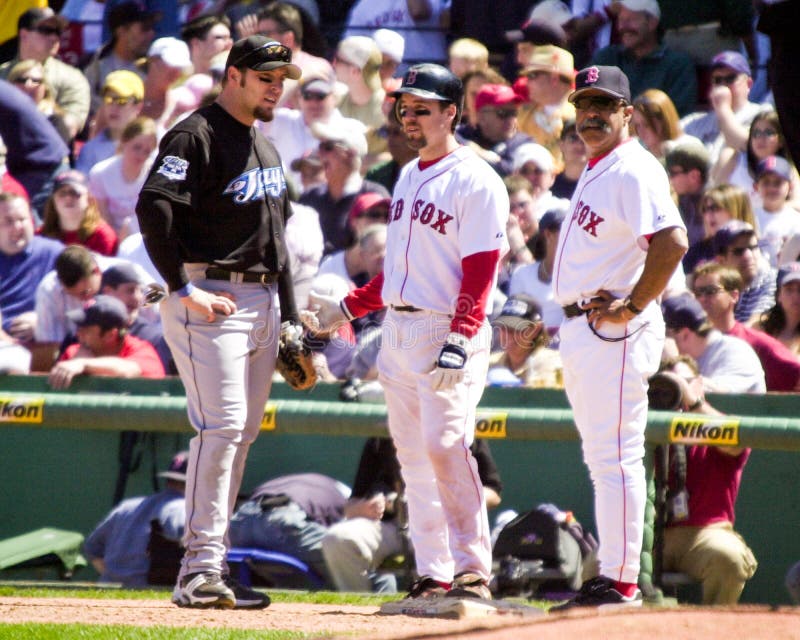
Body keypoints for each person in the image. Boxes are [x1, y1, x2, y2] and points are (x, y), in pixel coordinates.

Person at [310, 63, 509, 601]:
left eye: (423, 107)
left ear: (452, 112)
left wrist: (462, 336)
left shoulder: (477, 177)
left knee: (448, 447)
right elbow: (397, 272)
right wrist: (345, 309)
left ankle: (473, 571)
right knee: (414, 461)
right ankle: (433, 573)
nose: (411, 116)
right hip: (399, 328)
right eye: (405, 108)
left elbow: (482, 267)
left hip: (448, 327)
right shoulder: (408, 174)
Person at [135, 35, 303, 610]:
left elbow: (277, 243)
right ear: (234, 76)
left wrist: (292, 321)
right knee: (222, 429)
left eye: (282, 78)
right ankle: (197, 571)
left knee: (240, 436)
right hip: (208, 292)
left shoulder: (265, 146)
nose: (276, 86)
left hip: (262, 301)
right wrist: (183, 290)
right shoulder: (194, 133)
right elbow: (152, 209)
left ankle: (214, 567)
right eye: (265, 77)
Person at [549, 65, 688, 610]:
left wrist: (632, 305)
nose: (591, 115)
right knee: (603, 457)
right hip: (590, 325)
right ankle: (614, 576)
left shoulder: (633, 167)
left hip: (615, 327)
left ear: (628, 112)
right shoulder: (600, 165)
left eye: (604, 106)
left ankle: (622, 582)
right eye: (584, 105)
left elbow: (672, 243)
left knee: (616, 457)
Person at [322, 437, 503, 593]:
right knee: (338, 539)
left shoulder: (458, 424)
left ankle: (452, 603)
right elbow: (351, 506)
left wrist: (451, 502)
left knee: (447, 553)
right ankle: (359, 607)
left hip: (444, 525)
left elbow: (493, 493)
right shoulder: (385, 429)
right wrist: (366, 507)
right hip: (392, 524)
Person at [653, 356, 758, 604]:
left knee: (728, 557)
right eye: (669, 384)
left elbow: (736, 444)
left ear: (699, 384)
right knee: (599, 563)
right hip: (654, 533)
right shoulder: (648, 426)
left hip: (704, 534)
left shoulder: (714, 420)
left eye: (685, 381)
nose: (676, 391)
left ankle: (713, 628)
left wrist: (693, 400)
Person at [83, 450, 188, 587]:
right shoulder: (188, 511)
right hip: (151, 595)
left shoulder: (126, 507)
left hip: (108, 591)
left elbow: (92, 548)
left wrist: (115, 580)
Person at [692, 262, 800, 392]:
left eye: (711, 291)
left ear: (734, 295)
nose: (703, 298)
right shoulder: (687, 340)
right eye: (698, 293)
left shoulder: (757, 342)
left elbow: (795, 371)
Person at [229, 472, 350, 588]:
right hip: (285, 520)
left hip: (241, 519)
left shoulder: (306, 481)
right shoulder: (347, 495)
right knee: (347, 557)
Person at [298, 119, 389, 255]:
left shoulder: (375, 199)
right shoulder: (310, 197)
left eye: (327, 147)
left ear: (351, 153)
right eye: (320, 147)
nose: (319, 153)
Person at [590, 0, 696, 117]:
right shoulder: (608, 57)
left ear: (652, 23)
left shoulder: (677, 65)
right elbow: (585, 96)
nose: (622, 27)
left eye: (630, 20)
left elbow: (677, 119)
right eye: (620, 20)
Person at [0, 6, 91, 140]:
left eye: (58, 31)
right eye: (46, 30)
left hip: (51, 154)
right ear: (24, 35)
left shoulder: (72, 78)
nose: (54, 37)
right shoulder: (2, 75)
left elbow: (70, 126)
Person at [48, 294, 165, 389]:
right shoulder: (75, 352)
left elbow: (128, 369)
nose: (78, 333)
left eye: (86, 330)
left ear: (110, 335)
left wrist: (83, 364)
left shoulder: (142, 350)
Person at [662, 293, 765, 394]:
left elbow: (721, 397)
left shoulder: (736, 351)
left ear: (685, 334)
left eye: (665, 335)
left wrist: (675, 362)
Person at [681, 51, 769, 167]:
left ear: (748, 84)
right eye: (717, 80)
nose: (723, 85)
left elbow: (747, 146)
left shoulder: (762, 114)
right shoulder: (695, 121)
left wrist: (723, 108)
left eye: (730, 79)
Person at [0, 192, 63, 343]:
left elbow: (80, 298)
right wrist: (8, 342)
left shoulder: (54, 253)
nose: (17, 227)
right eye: (8, 221)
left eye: (22, 219)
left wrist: (43, 319)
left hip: (47, 340)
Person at [88, 116, 158, 239]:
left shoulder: (154, 174)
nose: (141, 155)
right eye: (136, 147)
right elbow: (102, 215)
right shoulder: (100, 172)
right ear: (124, 142)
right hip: (110, 237)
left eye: (147, 151)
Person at [508, 207, 566, 337]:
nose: (572, 236)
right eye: (566, 230)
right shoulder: (521, 274)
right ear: (548, 234)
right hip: (532, 349)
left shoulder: (582, 274)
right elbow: (516, 323)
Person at [75, 70, 145, 175]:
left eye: (122, 101)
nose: (114, 107)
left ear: (138, 107)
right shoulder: (90, 149)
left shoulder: (150, 146)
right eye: (109, 99)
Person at [38, 169, 119, 257]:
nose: (68, 198)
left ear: (88, 199)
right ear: (53, 200)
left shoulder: (103, 236)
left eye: (74, 193)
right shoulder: (41, 235)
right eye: (62, 193)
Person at [487, 293, 562, 388]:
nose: (508, 335)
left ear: (536, 329)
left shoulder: (552, 364)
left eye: (517, 329)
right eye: (504, 327)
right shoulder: (488, 364)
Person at [457, 83, 529, 177]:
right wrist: (470, 147)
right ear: (481, 116)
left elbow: (509, 172)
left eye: (514, 113)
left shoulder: (522, 142)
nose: (511, 119)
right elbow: (447, 137)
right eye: (503, 113)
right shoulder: (464, 134)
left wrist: (478, 153)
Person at [682, 183, 754, 276]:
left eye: (715, 208)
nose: (708, 215)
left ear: (736, 209)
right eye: (705, 209)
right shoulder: (696, 253)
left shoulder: (755, 247)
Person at [713, 220, 776, 324]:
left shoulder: (771, 279)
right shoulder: (716, 286)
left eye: (753, 248)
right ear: (721, 260)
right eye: (739, 251)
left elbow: (755, 325)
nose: (748, 256)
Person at [751, 157, 800, 269]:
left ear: (790, 186)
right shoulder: (749, 217)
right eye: (766, 183)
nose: (772, 188)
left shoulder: (796, 220)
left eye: (777, 183)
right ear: (755, 187)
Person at [665, 142, 712, 249]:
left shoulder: (716, 203)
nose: (669, 179)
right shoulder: (678, 199)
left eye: (673, 173)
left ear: (694, 176)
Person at [632, 89, 701, 162]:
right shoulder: (637, 153)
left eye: (646, 125)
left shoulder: (688, 148)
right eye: (637, 125)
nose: (641, 131)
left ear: (664, 121)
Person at [755, 261, 800, 357]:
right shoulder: (760, 327)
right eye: (789, 289)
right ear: (778, 295)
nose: (796, 296)